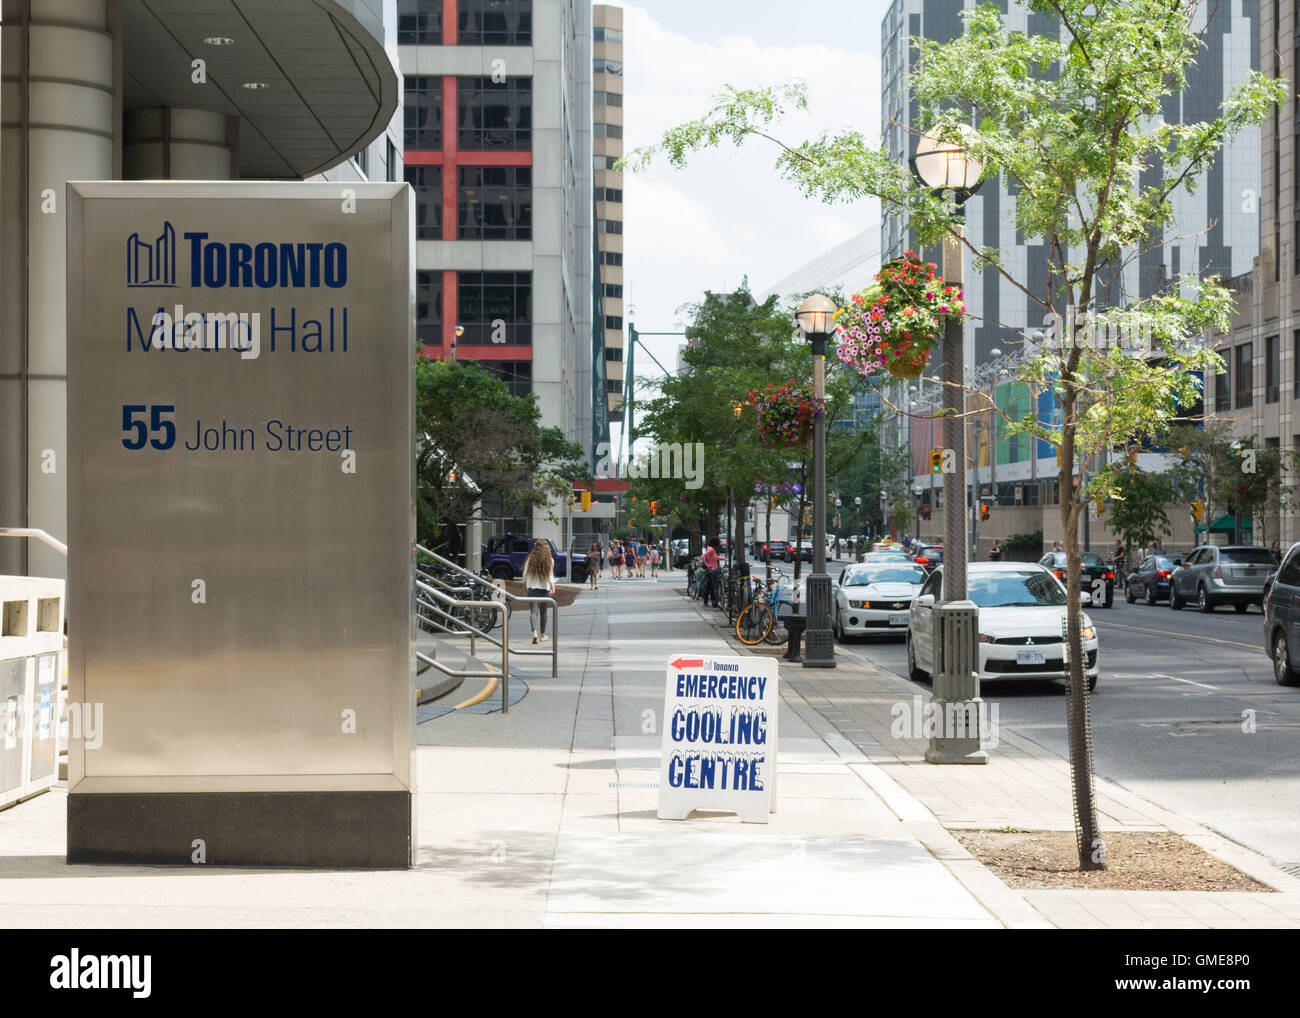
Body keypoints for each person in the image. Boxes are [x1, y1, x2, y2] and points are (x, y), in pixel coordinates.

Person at [522, 540, 556, 644]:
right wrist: (553, 586)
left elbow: (525, 574)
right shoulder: (549, 560)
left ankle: (535, 633)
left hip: (532, 587)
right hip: (544, 589)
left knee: (533, 611)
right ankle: (542, 635)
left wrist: (524, 584)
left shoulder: (530, 559)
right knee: (544, 612)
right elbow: (550, 575)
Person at [700, 536, 721, 607]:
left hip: (710, 570)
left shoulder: (711, 549)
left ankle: (707, 601)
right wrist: (707, 565)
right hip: (712, 570)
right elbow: (702, 556)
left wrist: (725, 559)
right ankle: (713, 602)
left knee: (709, 586)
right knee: (711, 586)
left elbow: (716, 557)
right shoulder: (711, 550)